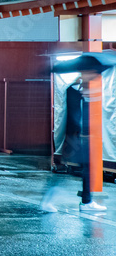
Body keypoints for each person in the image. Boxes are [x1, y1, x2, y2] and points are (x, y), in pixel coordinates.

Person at [42, 75, 106, 213]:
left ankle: (86, 201)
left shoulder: (86, 94)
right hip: (75, 138)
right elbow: (74, 117)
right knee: (68, 173)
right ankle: (49, 198)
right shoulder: (73, 91)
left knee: (87, 170)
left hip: (84, 139)